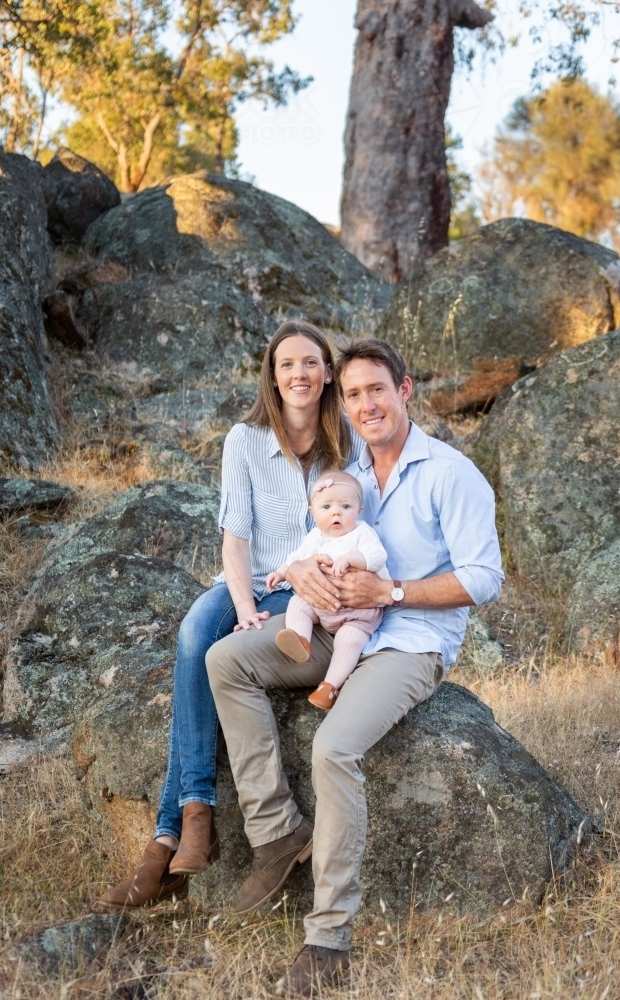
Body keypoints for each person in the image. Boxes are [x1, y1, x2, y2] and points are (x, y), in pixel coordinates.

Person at [205, 338, 504, 997]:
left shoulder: (450, 473)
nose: (366, 405)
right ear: (341, 405)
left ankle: (328, 938)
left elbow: (484, 578)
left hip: (409, 642)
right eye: (352, 395)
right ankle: (277, 831)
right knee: (225, 659)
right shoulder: (348, 476)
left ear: (404, 391)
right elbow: (313, 540)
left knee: (334, 748)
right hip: (338, 627)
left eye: (376, 390)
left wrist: (391, 592)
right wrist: (303, 570)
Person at [97, 320, 360, 912]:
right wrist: (243, 610)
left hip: (301, 594)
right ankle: (196, 808)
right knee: (196, 634)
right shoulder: (244, 440)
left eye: (311, 362)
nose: (299, 373)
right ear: (272, 375)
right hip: (248, 583)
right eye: (287, 364)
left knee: (214, 662)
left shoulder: (346, 440)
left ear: (328, 373)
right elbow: (234, 540)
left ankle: (168, 841)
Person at [268, 469, 389, 709]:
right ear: (312, 512)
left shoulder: (361, 533)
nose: (336, 512)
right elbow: (296, 558)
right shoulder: (314, 537)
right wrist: (281, 572)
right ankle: (300, 640)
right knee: (298, 603)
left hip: (357, 611)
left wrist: (352, 558)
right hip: (321, 603)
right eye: (326, 507)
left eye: (345, 506)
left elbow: (377, 556)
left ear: (359, 510)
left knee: (349, 640)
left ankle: (329, 687)